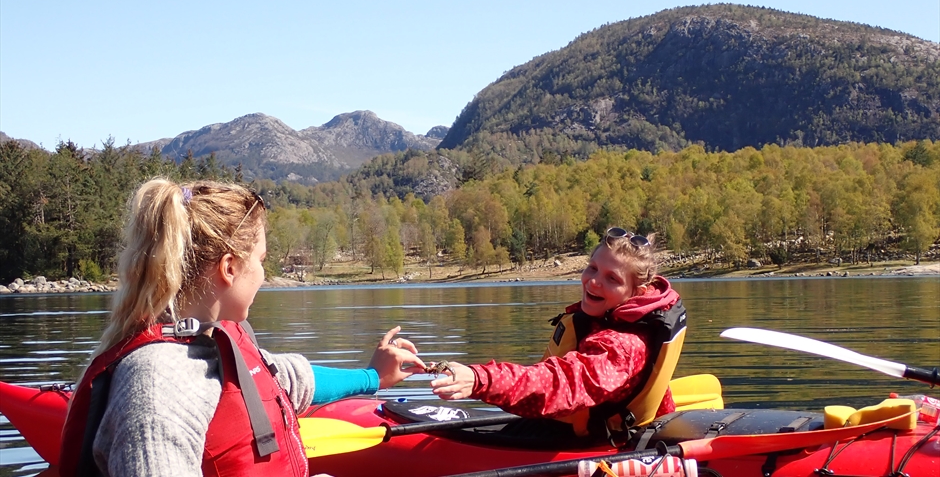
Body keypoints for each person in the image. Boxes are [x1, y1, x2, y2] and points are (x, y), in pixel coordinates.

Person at [59, 179, 426, 477]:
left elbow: (287, 379)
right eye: (262, 260)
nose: (264, 275)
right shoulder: (157, 383)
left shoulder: (221, 339)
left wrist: (372, 376)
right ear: (229, 267)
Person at [430, 228, 686, 444]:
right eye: (593, 268)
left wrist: (480, 379)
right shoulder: (619, 318)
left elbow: (560, 384)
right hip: (576, 429)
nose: (593, 281)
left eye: (612, 278)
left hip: (590, 443)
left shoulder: (623, 346)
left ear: (636, 291)